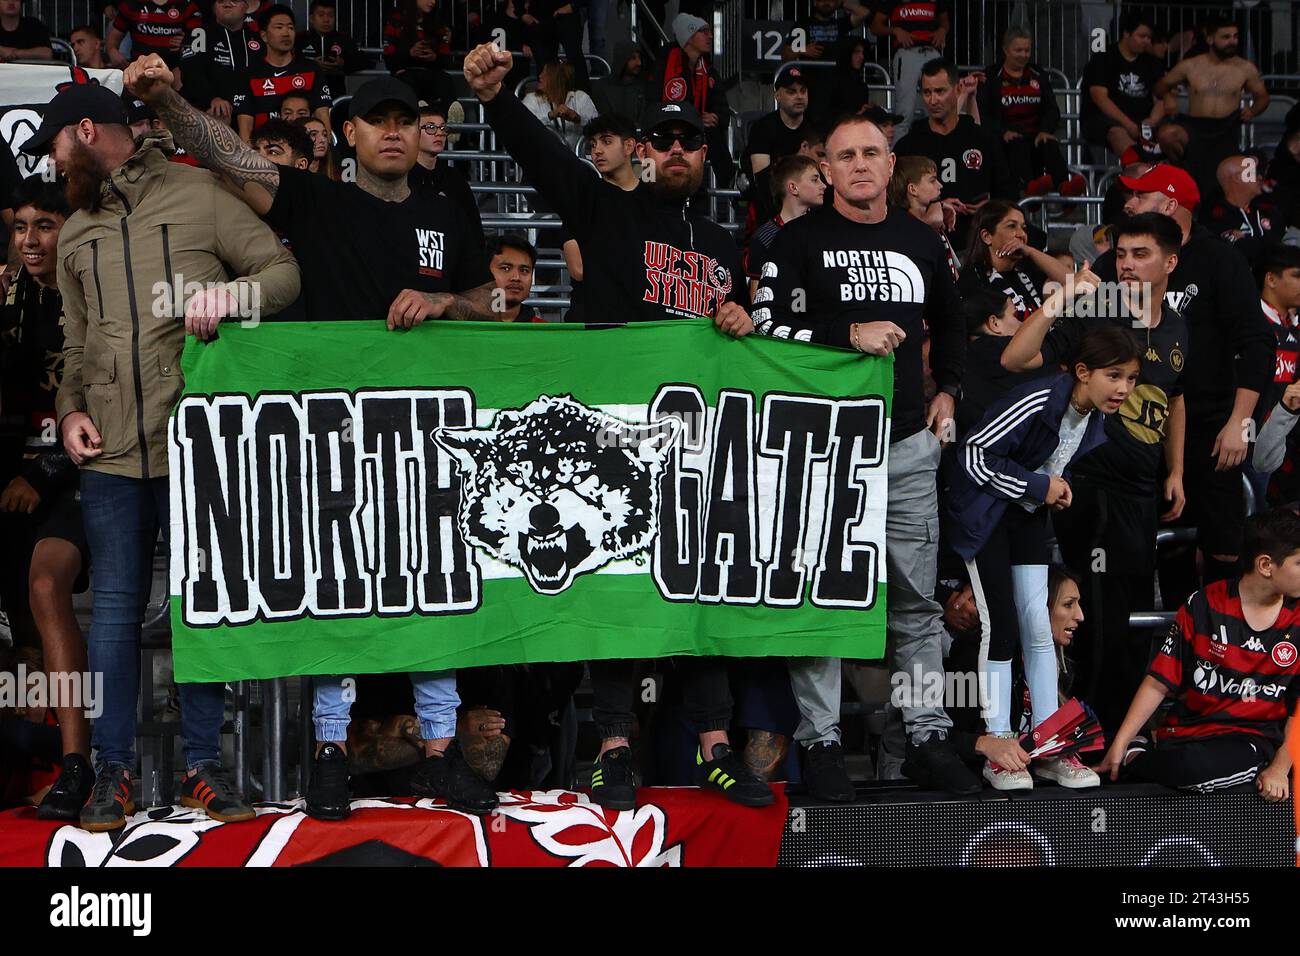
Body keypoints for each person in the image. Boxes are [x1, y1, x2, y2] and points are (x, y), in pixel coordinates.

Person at [129, 58, 504, 820]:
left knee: (439, 586)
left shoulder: (447, 208)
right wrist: (165, 99)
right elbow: (230, 153)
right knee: (335, 590)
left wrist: (441, 302)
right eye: (378, 121)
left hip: (433, 436)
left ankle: (440, 751)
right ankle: (330, 752)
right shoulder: (316, 200)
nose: (394, 132)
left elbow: (494, 299)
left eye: (405, 119)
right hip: (332, 437)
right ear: (350, 133)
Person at [465, 41, 769, 809]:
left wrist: (739, 320)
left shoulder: (724, 241)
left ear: (705, 154)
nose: (674, 150)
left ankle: (717, 749)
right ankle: (613, 751)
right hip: (609, 447)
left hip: (697, 445)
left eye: (687, 142)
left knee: (698, 595)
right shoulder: (604, 206)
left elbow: (747, 349)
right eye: (661, 140)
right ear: (642, 149)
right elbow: (543, 160)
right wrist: (501, 100)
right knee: (613, 595)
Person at [20, 80, 299, 832]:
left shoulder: (198, 195)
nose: (53, 163)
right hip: (109, 450)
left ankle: (203, 768)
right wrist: (72, 410)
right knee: (111, 611)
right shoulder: (77, 230)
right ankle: (113, 772)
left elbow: (282, 275)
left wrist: (230, 301)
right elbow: (75, 348)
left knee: (199, 604)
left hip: (200, 445)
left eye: (54, 145)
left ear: (85, 130)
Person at [753, 111, 978, 800]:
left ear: (889, 165)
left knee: (914, 603)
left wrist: (954, 391)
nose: (857, 164)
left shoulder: (922, 239)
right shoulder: (796, 240)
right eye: (843, 153)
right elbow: (764, 325)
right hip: (819, 448)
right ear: (824, 167)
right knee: (819, 597)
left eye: (870, 153)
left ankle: (928, 735)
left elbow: (951, 320)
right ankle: (821, 744)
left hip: (906, 443)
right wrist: (845, 331)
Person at [1002, 213, 1189, 741]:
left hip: (1143, 490)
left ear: (1170, 263)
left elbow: (1176, 398)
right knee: (1097, 618)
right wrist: (1063, 297)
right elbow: (1016, 358)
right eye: (1122, 253)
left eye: (1141, 254)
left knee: (1128, 614)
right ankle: (1090, 731)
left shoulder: (1175, 322)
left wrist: (1175, 468)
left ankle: (1116, 734)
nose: (1127, 264)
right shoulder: (1094, 308)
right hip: (1088, 484)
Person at [949, 328, 1139, 789]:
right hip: (987, 515)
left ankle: (1049, 747)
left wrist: (1053, 487)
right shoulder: (1036, 399)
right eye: (1114, 376)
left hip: (1027, 516)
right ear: (1082, 372)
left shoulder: (1092, 416)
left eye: (1132, 379)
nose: (1123, 389)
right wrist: (1039, 487)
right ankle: (999, 746)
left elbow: (1048, 465)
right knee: (1003, 626)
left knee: (1038, 628)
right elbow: (971, 454)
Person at [1090, 164, 1275, 600]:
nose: (1128, 203)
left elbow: (1256, 344)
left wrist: (1239, 423)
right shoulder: (1118, 258)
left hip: (1209, 426)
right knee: (1142, 551)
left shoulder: (1220, 260)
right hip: (1128, 428)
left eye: (1140, 195)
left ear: (1171, 204)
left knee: (1224, 547)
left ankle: (1220, 644)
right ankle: (1159, 646)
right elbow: (1078, 321)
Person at [0, 179, 95, 821]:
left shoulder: (98, 293)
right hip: (8, 476)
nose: (32, 240)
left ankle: (75, 763)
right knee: (23, 624)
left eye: (46, 225)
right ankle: (27, 755)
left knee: (43, 587)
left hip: (83, 474)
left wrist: (46, 472)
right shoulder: (5, 297)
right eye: (22, 227)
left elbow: (116, 396)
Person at [1098, 507, 1300, 801]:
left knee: (1195, 769)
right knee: (1181, 762)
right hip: (1187, 733)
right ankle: (1136, 751)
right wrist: (1120, 741)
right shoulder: (1204, 604)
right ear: (1266, 565)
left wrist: (1281, 768)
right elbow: (1159, 680)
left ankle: (1138, 760)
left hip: (1252, 738)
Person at [895, 58, 1017, 251]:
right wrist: (937, 207)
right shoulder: (908, 146)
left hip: (977, 244)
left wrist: (990, 206)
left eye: (940, 91)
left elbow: (1007, 191)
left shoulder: (983, 139)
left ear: (958, 90)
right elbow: (896, 201)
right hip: (926, 244)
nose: (933, 100)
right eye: (927, 93)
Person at [1154, 16, 1270, 201]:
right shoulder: (1190, 65)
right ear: (1209, 39)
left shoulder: (1245, 68)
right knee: (1167, 134)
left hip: (1226, 127)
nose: (1232, 41)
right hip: (1195, 126)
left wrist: (1253, 110)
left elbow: (1263, 96)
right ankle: (1180, 166)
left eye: (1235, 36)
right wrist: (1168, 98)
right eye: (1225, 37)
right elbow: (1161, 86)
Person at [978, 26, 1084, 197]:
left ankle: (1065, 188)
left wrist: (1044, 130)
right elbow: (982, 113)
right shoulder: (991, 76)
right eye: (1018, 50)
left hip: (1035, 137)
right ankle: (1030, 188)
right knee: (1016, 144)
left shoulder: (1037, 73)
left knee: (1049, 143)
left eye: (1027, 50)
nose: (1023, 55)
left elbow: (1051, 109)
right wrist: (1002, 132)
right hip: (1006, 140)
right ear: (1005, 49)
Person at [561, 112, 638, 322]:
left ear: (629, 146)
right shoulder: (582, 200)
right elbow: (578, 269)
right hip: (587, 317)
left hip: (638, 321)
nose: (597, 150)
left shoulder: (651, 199)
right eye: (593, 144)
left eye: (606, 141)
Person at [954, 288, 1053, 438]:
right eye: (1016, 315)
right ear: (994, 323)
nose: (1022, 323)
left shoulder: (958, 363)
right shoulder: (1007, 353)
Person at [654, 14, 733, 188]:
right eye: (704, 32)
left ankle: (727, 190)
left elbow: (723, 109)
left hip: (700, 135)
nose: (710, 36)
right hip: (667, 132)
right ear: (688, 37)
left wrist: (715, 117)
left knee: (713, 138)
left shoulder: (709, 71)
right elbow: (658, 107)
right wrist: (696, 118)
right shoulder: (664, 66)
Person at [233, 4, 333, 142]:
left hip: (305, 150)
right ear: (264, 36)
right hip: (265, 155)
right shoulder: (249, 75)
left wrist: (327, 156)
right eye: (279, 27)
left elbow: (323, 118)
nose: (286, 33)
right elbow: (246, 128)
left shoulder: (311, 69)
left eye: (290, 28)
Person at [959, 200, 1070, 317]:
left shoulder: (1027, 271)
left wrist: (1031, 251)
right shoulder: (975, 279)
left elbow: (1074, 284)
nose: (1021, 234)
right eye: (1012, 226)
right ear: (987, 237)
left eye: (1023, 228)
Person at [1080, 12, 1166, 158]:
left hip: (1143, 121)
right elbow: (1099, 98)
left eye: (1149, 37)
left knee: (1171, 133)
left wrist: (1153, 120)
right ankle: (1139, 166)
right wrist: (1128, 124)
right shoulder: (1103, 59)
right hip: (1105, 121)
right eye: (1142, 36)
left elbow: (1162, 98)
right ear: (1126, 33)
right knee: (1117, 132)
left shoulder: (1152, 62)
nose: (1146, 41)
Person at [745, 153, 825, 297]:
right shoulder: (764, 237)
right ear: (793, 188)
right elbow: (757, 294)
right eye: (815, 180)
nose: (823, 186)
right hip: (781, 316)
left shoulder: (823, 231)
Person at [868, 0, 950, 141]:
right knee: (905, 111)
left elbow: (945, 21)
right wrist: (895, 30)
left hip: (932, 52)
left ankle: (938, 152)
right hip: (907, 53)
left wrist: (942, 30)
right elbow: (875, 27)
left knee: (938, 108)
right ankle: (900, 157)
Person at [409, 104, 481, 245]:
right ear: (412, 133)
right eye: (430, 127)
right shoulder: (401, 178)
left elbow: (473, 229)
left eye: (443, 128)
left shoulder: (454, 179)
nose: (440, 133)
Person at [1199, 154, 1286, 270]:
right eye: (1252, 172)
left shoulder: (1269, 211)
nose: (1260, 177)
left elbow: (1285, 247)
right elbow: (1238, 251)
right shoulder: (1215, 216)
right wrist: (1270, 245)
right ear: (1236, 177)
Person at [178, 0, 258, 124]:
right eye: (220, 0)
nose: (227, 3)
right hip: (207, 110)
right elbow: (190, 73)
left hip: (249, 113)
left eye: (234, 0)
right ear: (214, 7)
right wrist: (211, 99)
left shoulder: (257, 39)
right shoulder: (198, 34)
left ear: (247, 6)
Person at [888, 152, 959, 279]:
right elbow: (933, 220)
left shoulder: (936, 222)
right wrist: (940, 204)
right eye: (932, 181)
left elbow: (954, 273)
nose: (940, 185)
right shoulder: (903, 225)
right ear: (913, 189)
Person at [382, 0, 456, 108]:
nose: (433, 2)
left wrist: (434, 57)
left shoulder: (439, 22)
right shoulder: (396, 20)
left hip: (432, 72)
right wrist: (409, 53)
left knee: (446, 81)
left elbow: (446, 59)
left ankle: (449, 119)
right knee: (406, 82)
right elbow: (389, 59)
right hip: (405, 72)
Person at [745, 64, 810, 179]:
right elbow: (761, 179)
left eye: (803, 91)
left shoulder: (815, 127)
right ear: (777, 96)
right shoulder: (762, 128)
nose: (799, 96)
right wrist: (796, 161)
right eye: (792, 92)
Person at [294, 0, 370, 98]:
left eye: (330, 15)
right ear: (311, 18)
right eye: (321, 15)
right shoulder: (300, 39)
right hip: (304, 95)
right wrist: (311, 64)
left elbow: (364, 61)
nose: (326, 20)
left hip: (335, 95)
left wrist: (343, 63)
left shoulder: (343, 39)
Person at [522, 59, 598, 152]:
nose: (540, 76)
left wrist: (578, 118)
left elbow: (598, 128)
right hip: (542, 157)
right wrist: (550, 115)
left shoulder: (581, 98)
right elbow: (524, 128)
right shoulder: (531, 99)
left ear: (557, 79)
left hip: (577, 159)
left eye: (545, 74)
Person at [108, 0, 201, 68]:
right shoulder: (131, 4)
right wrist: (112, 51)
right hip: (140, 68)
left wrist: (187, 42)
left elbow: (200, 44)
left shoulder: (187, 5)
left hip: (175, 69)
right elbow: (114, 36)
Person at [487, 234, 545, 322]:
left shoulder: (542, 332)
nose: (516, 277)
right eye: (505, 268)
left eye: (524, 270)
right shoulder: (465, 327)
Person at [590, 41, 645, 121]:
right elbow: (604, 120)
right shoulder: (602, 87)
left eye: (640, 58)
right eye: (633, 58)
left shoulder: (643, 87)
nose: (639, 63)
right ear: (622, 59)